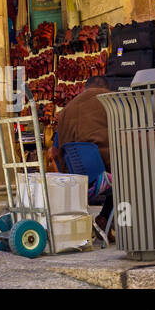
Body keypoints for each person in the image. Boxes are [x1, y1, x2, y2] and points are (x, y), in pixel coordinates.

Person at [57, 74, 114, 232]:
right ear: (106, 88)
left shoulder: (66, 110)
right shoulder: (110, 101)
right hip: (104, 173)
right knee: (131, 174)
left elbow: (58, 148)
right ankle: (110, 218)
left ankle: (107, 218)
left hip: (76, 176)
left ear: (84, 88)